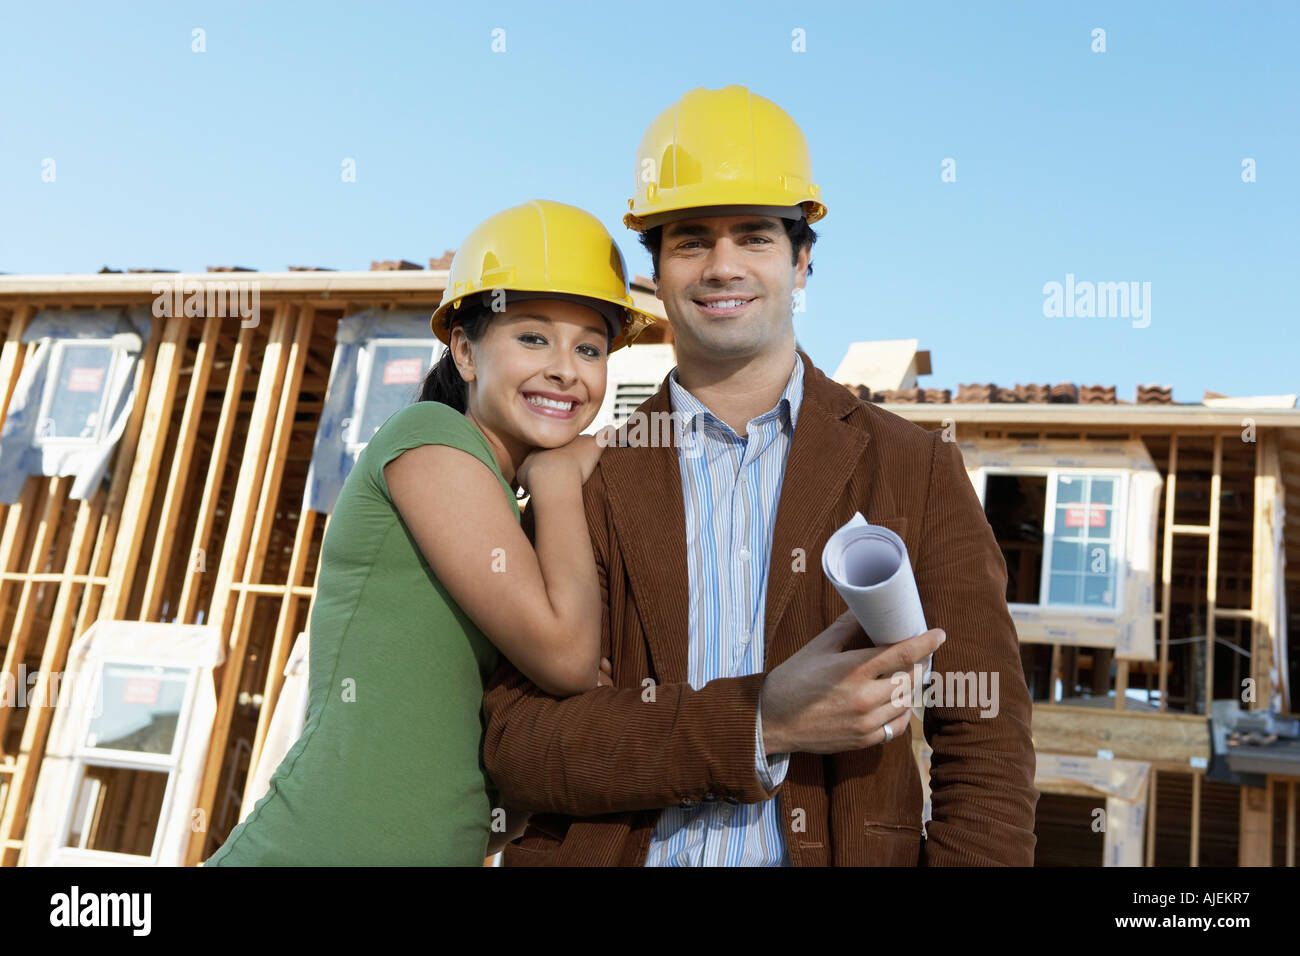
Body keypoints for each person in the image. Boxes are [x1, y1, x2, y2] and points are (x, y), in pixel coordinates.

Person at [482, 85, 1039, 866]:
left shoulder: (915, 470)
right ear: (657, 270)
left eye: (754, 237)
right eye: (689, 241)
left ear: (802, 260)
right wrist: (761, 719)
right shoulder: (585, 481)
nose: (722, 267)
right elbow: (519, 746)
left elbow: (986, 752)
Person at [204, 200, 657, 865]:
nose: (566, 367)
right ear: (466, 352)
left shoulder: (510, 512)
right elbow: (566, 656)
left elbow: (480, 782)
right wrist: (560, 481)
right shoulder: (429, 440)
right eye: (532, 338)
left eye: (590, 347)